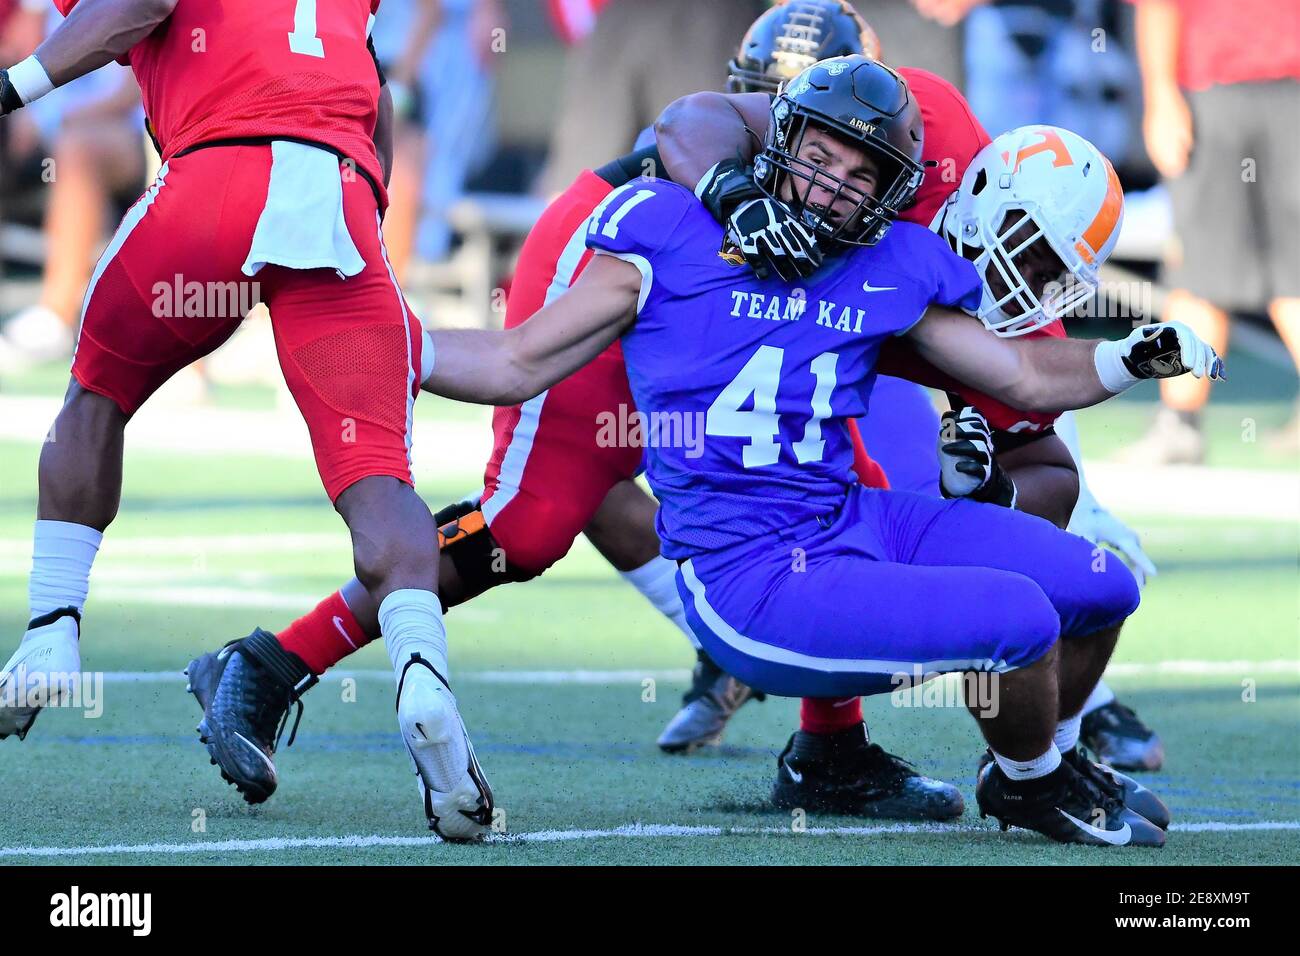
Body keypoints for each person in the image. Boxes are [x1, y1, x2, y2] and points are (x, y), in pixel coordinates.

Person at [414, 57, 1220, 844]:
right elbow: (515, 360)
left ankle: (1027, 763)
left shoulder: (887, 264)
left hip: (847, 517)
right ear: (781, 144)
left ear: (889, 194)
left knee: (1102, 581)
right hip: (748, 569)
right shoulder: (668, 225)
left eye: (859, 173)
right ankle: (1037, 783)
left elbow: (1024, 375)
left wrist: (1132, 355)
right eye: (818, 155)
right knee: (1021, 617)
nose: (832, 182)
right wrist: (397, 345)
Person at [0, 0, 491, 843]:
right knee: (378, 479)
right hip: (338, 195)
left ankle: (50, 630)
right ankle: (423, 679)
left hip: (220, 175)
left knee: (96, 394)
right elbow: (368, 89)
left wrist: (15, 86)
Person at [1118, 0, 1300, 463]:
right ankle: (1179, 423)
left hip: (1219, 92)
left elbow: (1158, 7)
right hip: (1254, 91)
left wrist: (1160, 96)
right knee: (1280, 271)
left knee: (1201, 268)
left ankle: (1180, 425)